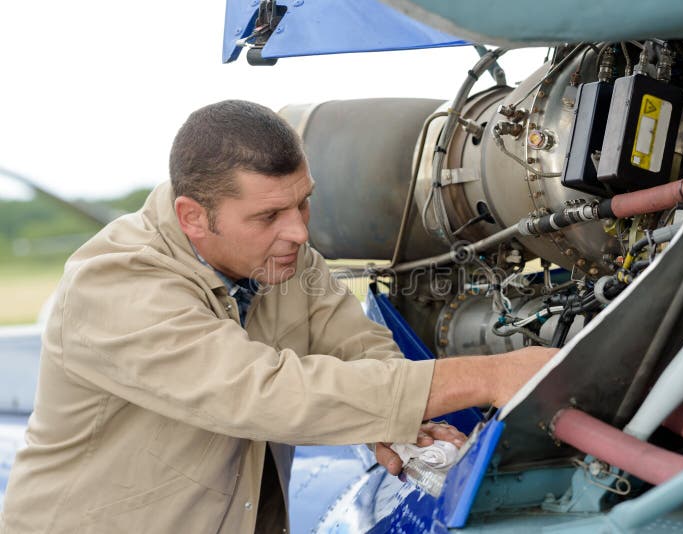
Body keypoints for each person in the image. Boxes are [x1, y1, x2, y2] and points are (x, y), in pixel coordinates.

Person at [0, 100, 556, 534]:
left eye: (303, 203)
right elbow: (264, 392)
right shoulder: (115, 284)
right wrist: (490, 375)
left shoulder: (285, 258)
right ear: (194, 218)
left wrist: (395, 424)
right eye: (268, 215)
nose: (298, 231)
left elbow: (358, 344)